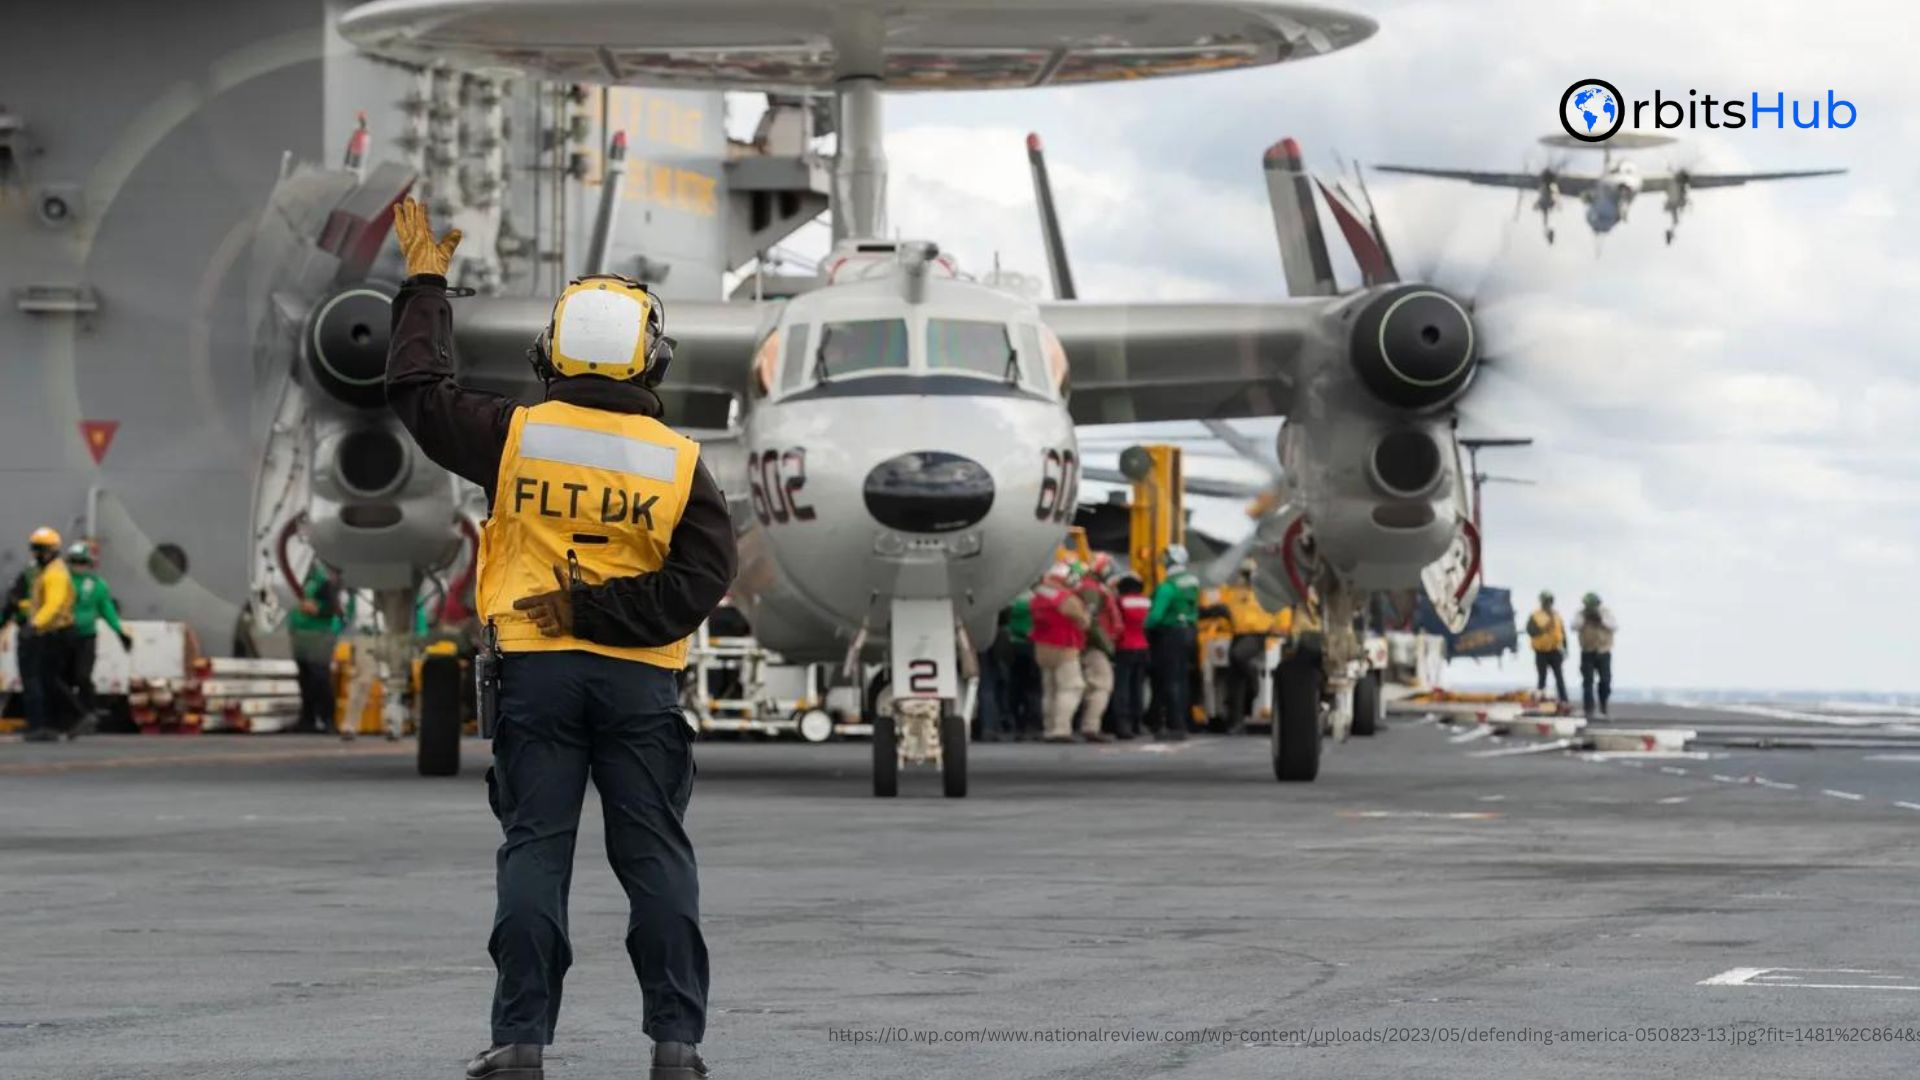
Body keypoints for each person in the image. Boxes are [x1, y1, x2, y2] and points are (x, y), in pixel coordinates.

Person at [386, 199, 735, 1080]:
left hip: (534, 677)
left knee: (536, 850)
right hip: (638, 686)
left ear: (551, 352)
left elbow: (416, 395)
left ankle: (520, 1042)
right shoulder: (682, 463)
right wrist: (603, 613)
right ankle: (676, 1044)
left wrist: (427, 284)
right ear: (649, 358)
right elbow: (699, 587)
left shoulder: (514, 438)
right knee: (654, 855)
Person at [16, 528, 76, 741]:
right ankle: (50, 724)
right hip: (48, 631)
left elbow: (54, 604)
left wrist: (34, 625)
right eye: (34, 550)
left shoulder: (55, 573)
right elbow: (39, 602)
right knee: (46, 680)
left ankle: (46, 724)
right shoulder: (46, 571)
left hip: (53, 633)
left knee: (40, 679)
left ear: (51, 551)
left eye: (39, 550)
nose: (35, 554)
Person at [64, 542, 133, 729]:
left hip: (86, 637)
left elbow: (107, 610)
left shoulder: (97, 585)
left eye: (82, 562)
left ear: (89, 564)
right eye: (75, 562)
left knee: (83, 676)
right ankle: (70, 717)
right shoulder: (61, 580)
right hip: (62, 636)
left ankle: (90, 712)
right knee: (63, 680)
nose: (78, 566)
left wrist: (119, 632)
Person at [1208, 559, 1276, 734]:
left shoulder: (1264, 593)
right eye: (1244, 574)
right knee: (1235, 681)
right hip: (1238, 635)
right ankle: (1236, 722)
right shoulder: (1233, 594)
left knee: (1238, 657)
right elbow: (1223, 608)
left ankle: (1253, 684)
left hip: (1257, 635)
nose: (1245, 578)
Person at [1028, 563, 1090, 744]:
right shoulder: (1065, 597)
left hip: (1042, 646)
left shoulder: (1039, 596)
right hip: (1064, 645)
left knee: (1050, 689)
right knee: (1071, 687)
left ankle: (1049, 727)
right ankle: (1061, 729)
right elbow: (1081, 619)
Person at [1144, 545, 1200, 741]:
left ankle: (1175, 726)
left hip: (1169, 636)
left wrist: (1145, 627)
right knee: (1182, 680)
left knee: (1169, 681)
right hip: (1189, 633)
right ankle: (1183, 722)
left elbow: (1155, 616)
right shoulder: (1192, 584)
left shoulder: (1167, 587)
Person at [288, 561, 343, 734]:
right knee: (304, 677)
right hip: (300, 634)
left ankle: (328, 719)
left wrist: (316, 609)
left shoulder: (323, 581)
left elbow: (334, 608)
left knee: (319, 676)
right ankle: (307, 718)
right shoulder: (298, 580)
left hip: (319, 634)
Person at [1074, 554, 1121, 743]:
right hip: (1093, 646)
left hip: (1084, 644)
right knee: (1102, 684)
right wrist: (1107, 645)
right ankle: (1091, 727)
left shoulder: (1086, 587)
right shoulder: (1091, 590)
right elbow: (1091, 621)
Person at [1110, 574, 1151, 740]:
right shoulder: (1146, 601)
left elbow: (1116, 623)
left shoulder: (1120, 602)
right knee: (1137, 687)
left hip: (1125, 646)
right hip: (1143, 646)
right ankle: (1137, 723)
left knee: (1122, 687)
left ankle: (1122, 725)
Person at [1572, 592, 1617, 718]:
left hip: (1603, 651)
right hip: (1587, 651)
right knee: (1587, 682)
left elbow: (1613, 626)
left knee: (1605, 681)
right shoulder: (1581, 614)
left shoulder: (1606, 613)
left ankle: (1603, 707)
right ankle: (1588, 709)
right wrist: (1585, 618)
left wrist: (1600, 619)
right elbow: (1574, 626)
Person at [1005, 588, 1042, 740]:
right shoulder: (1035, 602)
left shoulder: (1010, 601)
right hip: (1032, 645)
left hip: (1014, 646)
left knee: (1016, 687)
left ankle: (1017, 724)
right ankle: (1033, 724)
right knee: (1034, 689)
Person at [1526, 590, 1569, 704]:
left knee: (1559, 677)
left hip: (1555, 650)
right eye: (1546, 601)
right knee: (1542, 678)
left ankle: (1564, 700)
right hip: (1541, 652)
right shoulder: (1535, 616)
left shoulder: (1557, 615)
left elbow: (1562, 633)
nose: (1548, 604)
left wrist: (1565, 648)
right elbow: (1531, 631)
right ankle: (1540, 701)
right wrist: (1544, 628)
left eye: (1549, 601)